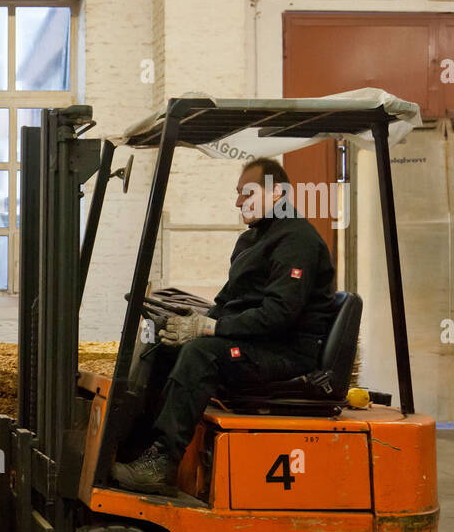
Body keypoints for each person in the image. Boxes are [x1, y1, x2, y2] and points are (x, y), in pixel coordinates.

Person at [110, 157, 340, 495]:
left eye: (246, 193)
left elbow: (279, 314)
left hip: (285, 353)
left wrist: (209, 330)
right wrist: (191, 322)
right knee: (163, 346)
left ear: (276, 192)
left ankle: (163, 464)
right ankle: (135, 451)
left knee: (203, 353)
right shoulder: (252, 240)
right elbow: (227, 303)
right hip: (255, 346)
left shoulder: (297, 241)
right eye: (238, 194)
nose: (237, 202)